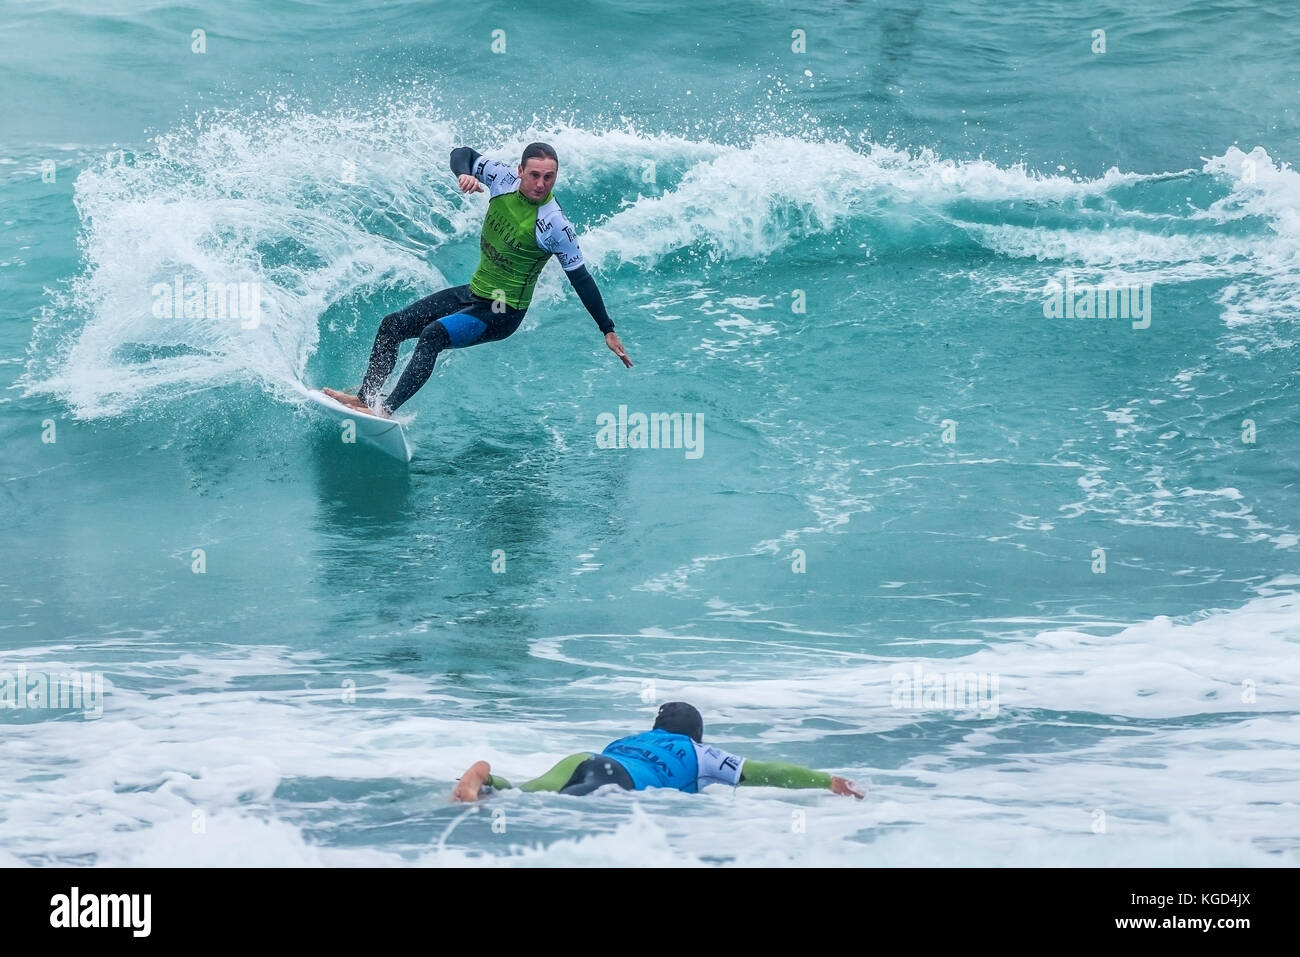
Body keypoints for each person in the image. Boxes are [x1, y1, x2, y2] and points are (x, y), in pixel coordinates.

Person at [324, 142, 632, 418]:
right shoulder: (502, 180)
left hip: (503, 309)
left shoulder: (553, 225)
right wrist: (463, 174)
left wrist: (607, 329)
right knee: (392, 326)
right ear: (520, 170)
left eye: (548, 177)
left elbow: (581, 279)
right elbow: (463, 154)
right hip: (474, 292)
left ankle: (384, 410)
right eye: (534, 174)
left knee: (433, 335)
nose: (540, 184)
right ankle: (365, 399)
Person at [449, 701, 865, 802]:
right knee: (559, 808)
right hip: (621, 779)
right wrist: (826, 781)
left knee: (522, 795)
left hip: (586, 758)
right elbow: (764, 771)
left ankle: (487, 778)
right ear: (697, 736)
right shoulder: (698, 753)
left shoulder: (629, 738)